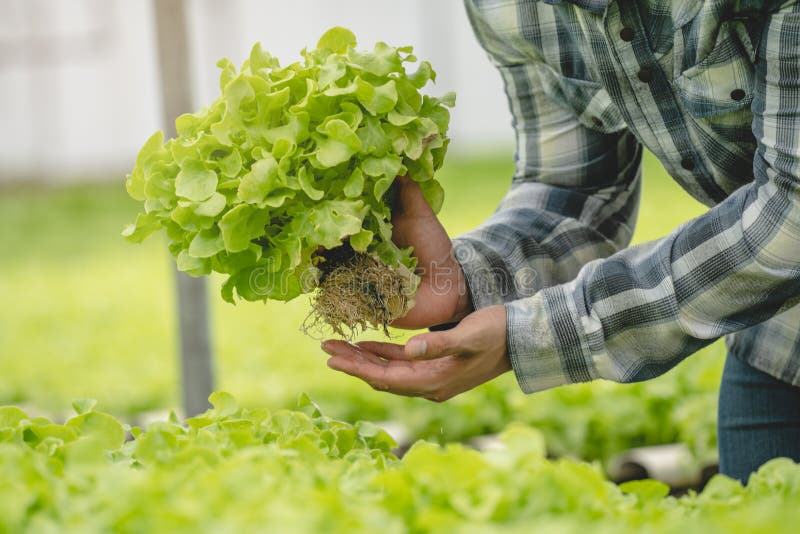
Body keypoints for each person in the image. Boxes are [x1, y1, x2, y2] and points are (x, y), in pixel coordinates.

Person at [321, 0, 800, 484]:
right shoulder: (503, 8)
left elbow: (793, 209)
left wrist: (530, 337)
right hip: (781, 339)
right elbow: (574, 188)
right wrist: (464, 282)